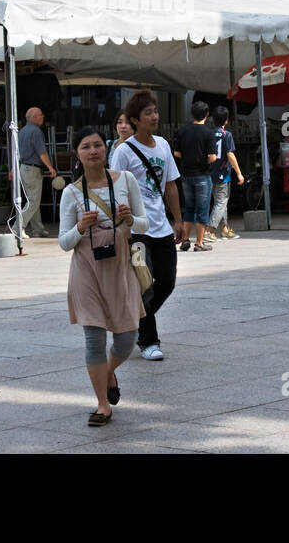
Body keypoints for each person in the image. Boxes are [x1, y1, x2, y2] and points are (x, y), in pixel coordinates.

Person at [59, 126, 147, 427]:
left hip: (121, 269)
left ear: (105, 148)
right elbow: (63, 242)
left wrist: (130, 218)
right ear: (77, 154)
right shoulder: (71, 193)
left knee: (126, 340)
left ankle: (109, 372)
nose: (93, 150)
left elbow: (144, 224)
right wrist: (81, 227)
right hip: (86, 272)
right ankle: (101, 404)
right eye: (86, 146)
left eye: (97, 145)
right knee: (94, 341)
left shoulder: (126, 180)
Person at [109, 90, 185, 360]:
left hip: (162, 227)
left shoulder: (163, 145)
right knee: (144, 285)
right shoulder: (123, 151)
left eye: (155, 111)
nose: (155, 116)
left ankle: (135, 314)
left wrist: (178, 220)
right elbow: (114, 190)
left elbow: (170, 184)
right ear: (134, 120)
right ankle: (148, 340)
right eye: (148, 113)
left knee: (167, 282)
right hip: (136, 232)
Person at [173, 101, 218, 251]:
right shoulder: (208, 133)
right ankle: (199, 243)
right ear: (207, 114)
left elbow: (177, 153)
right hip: (203, 175)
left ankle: (185, 240)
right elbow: (212, 157)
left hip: (186, 175)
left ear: (192, 114)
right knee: (202, 209)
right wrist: (204, 160)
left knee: (189, 208)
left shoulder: (182, 131)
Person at [15, 107, 57, 239]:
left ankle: (38, 229)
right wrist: (50, 167)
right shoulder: (36, 131)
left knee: (32, 200)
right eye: (41, 115)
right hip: (32, 169)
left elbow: (16, 152)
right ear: (34, 117)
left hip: (24, 168)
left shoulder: (21, 131)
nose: (43, 117)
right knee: (33, 201)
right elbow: (42, 152)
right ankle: (18, 227)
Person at [208, 106, 244, 240]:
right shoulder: (226, 135)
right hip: (223, 172)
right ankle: (209, 230)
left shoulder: (209, 133)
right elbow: (230, 154)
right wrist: (239, 173)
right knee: (221, 202)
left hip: (210, 172)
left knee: (221, 201)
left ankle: (224, 229)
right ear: (227, 121)